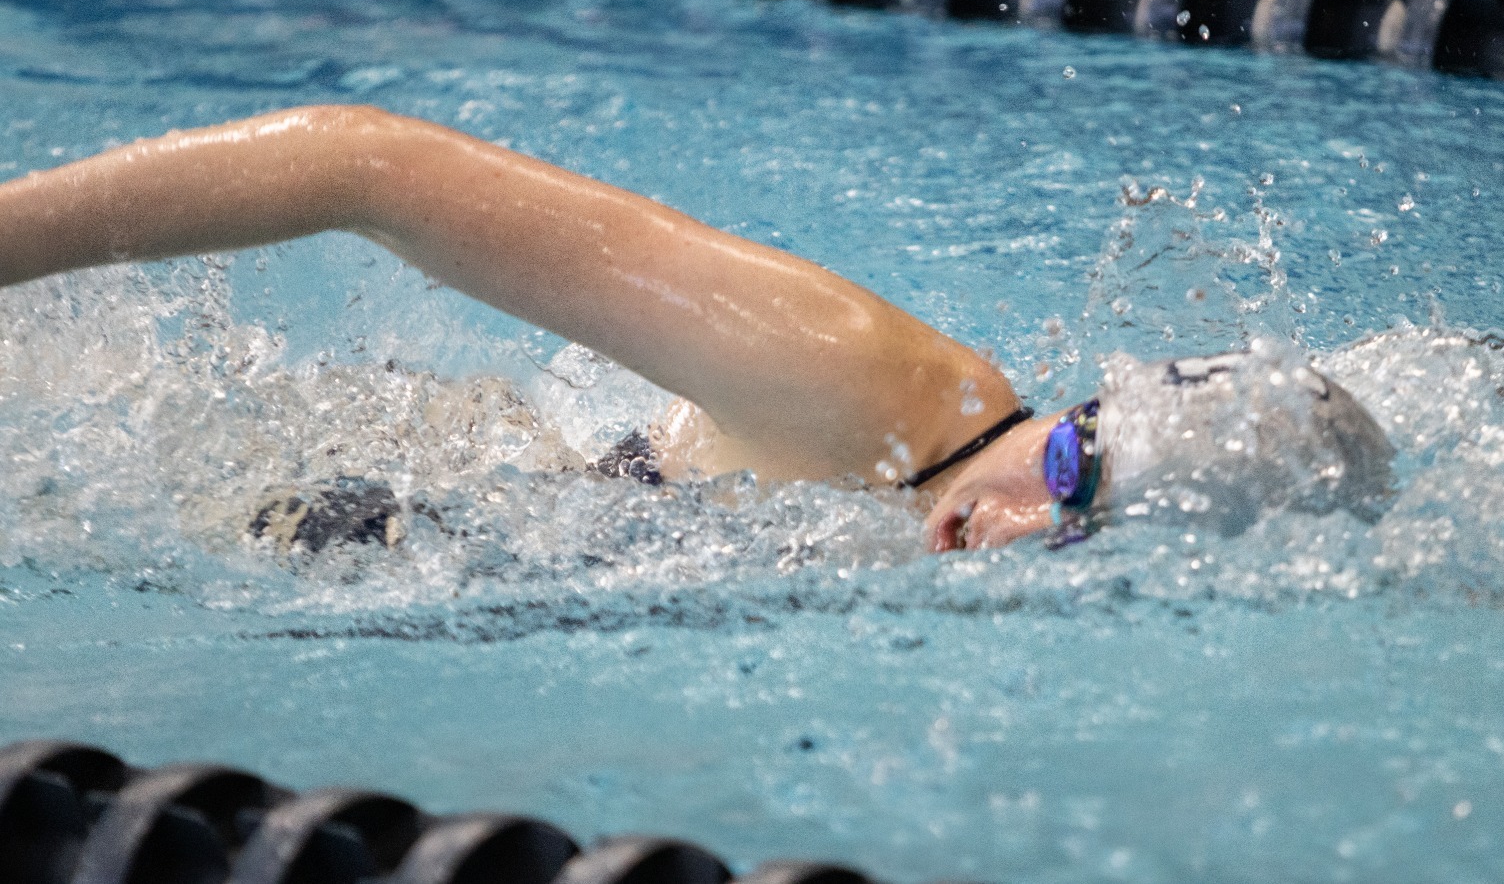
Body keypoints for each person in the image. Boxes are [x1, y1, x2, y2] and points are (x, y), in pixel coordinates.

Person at [0, 105, 1393, 553]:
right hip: (351, 490)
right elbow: (369, 166)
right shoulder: (859, 384)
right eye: (1073, 469)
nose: (1016, 527)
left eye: (1091, 538)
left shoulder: (957, 539)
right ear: (1083, 406)